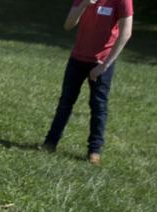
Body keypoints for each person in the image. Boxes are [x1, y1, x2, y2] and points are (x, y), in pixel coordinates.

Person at [41, 0, 132, 165]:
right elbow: (68, 25)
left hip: (101, 62)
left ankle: (94, 151)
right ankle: (50, 142)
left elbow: (126, 33)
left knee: (98, 106)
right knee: (65, 102)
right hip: (77, 59)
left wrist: (104, 66)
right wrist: (83, 4)